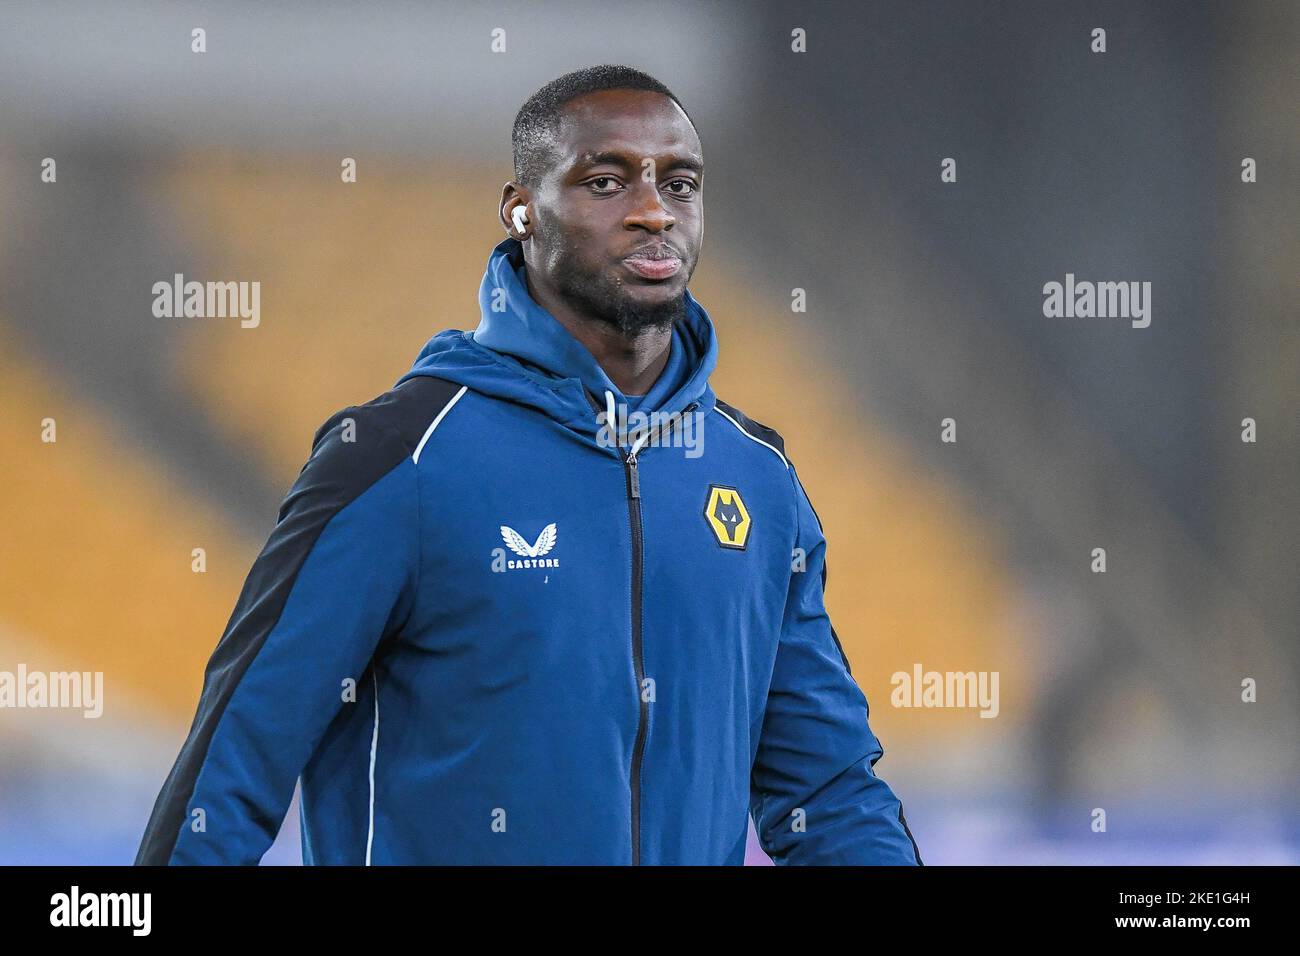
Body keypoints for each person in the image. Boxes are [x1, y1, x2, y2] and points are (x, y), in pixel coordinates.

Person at [135, 64, 922, 866]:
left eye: (680, 184)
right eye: (607, 181)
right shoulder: (396, 459)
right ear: (521, 209)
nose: (654, 211)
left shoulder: (759, 479)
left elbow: (828, 792)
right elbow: (233, 764)